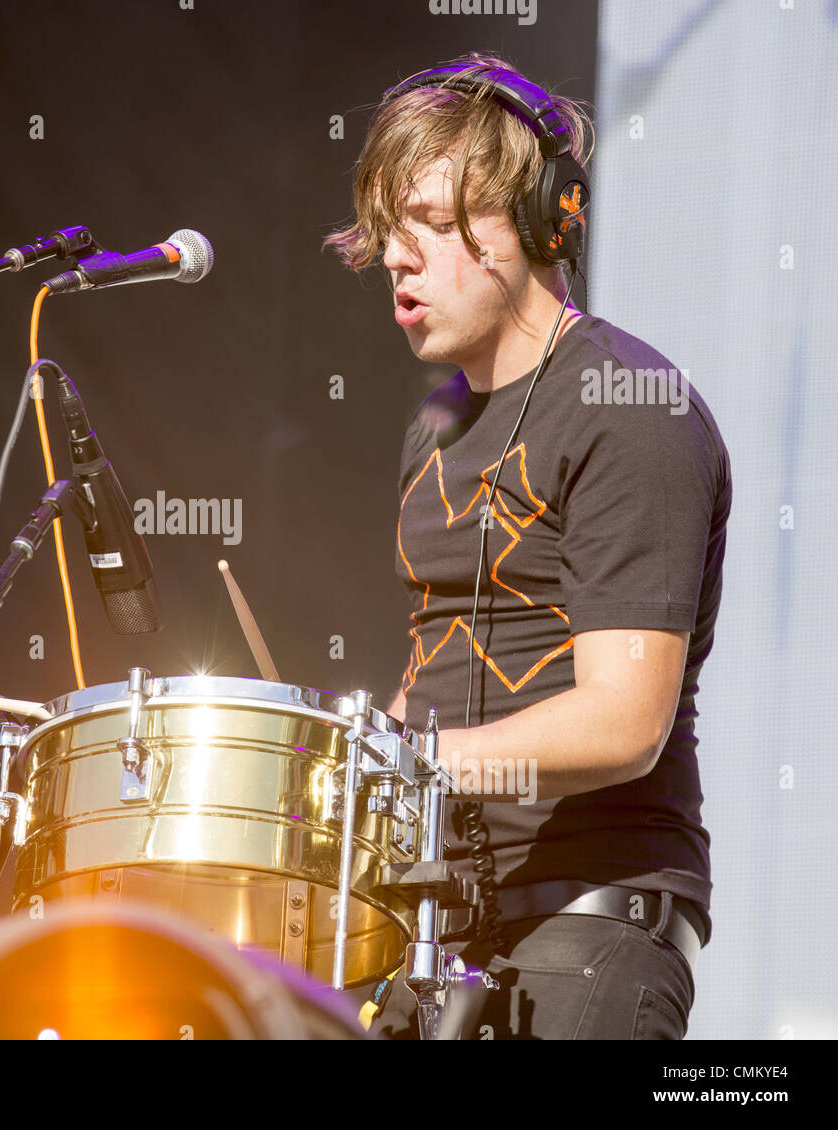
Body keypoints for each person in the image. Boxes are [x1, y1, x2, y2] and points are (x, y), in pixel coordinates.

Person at [325, 53, 731, 1039]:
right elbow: (439, 665)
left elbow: (624, 721)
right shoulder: (437, 425)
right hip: (441, 928)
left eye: (428, 223)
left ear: (540, 222)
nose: (396, 258)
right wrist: (343, 761)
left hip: (587, 924)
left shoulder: (629, 409)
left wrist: (412, 760)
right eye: (388, 230)